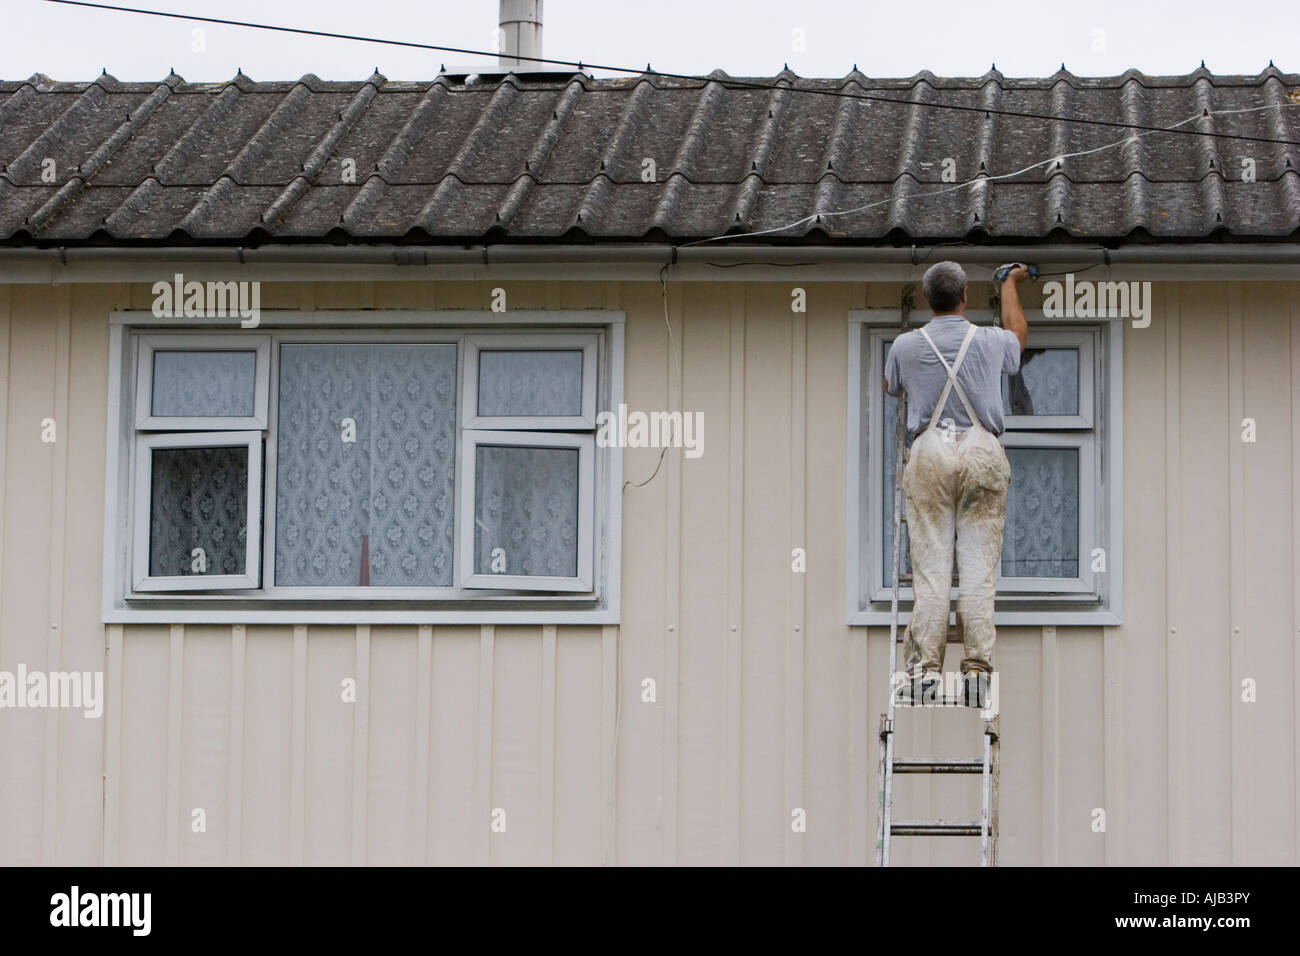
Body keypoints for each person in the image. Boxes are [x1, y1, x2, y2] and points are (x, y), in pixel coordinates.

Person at [883, 261, 1032, 706]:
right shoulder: (988, 341)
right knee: (977, 568)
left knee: (931, 569)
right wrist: (1009, 286)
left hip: (930, 451)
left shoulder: (906, 345)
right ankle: (975, 670)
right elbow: (1018, 338)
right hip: (981, 450)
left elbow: (892, 386)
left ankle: (926, 670)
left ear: (930, 300)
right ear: (965, 298)